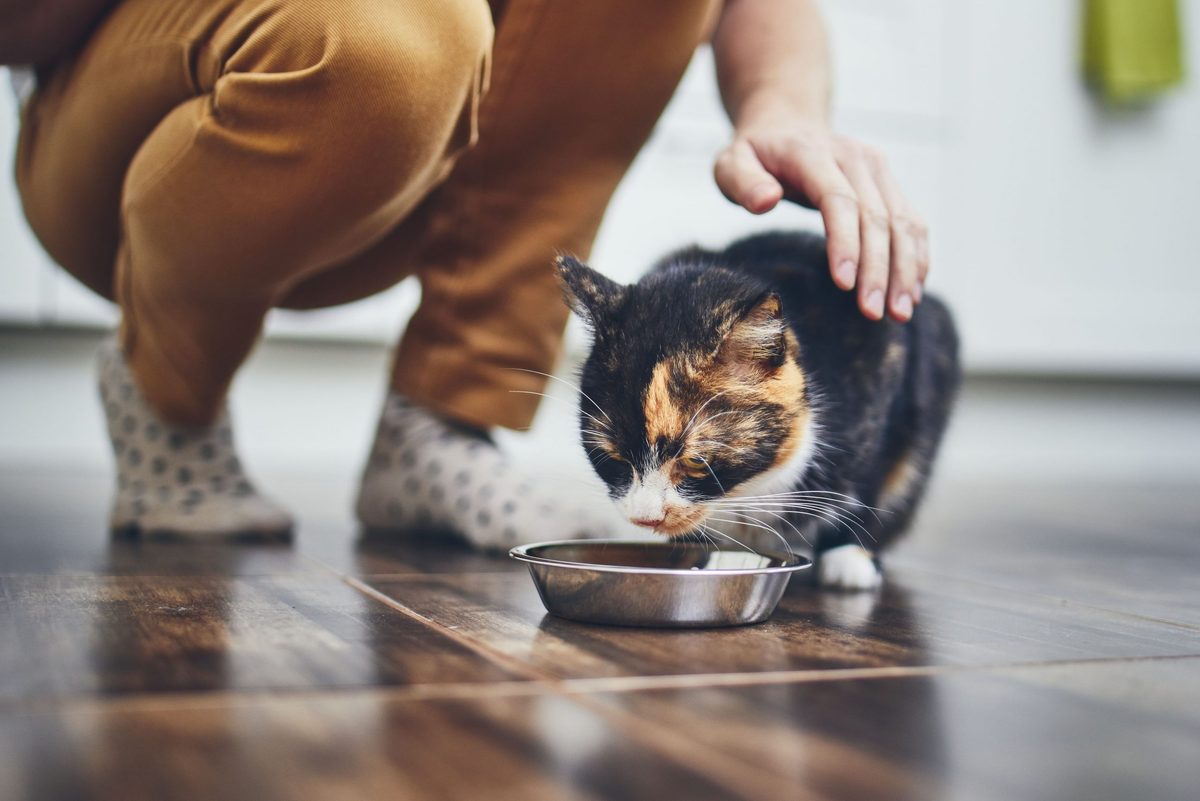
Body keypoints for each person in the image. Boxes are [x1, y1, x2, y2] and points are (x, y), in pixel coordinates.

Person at [3, 0, 929, 544]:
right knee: (399, 35)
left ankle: (440, 419)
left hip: (407, 172)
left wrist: (782, 110)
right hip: (137, 141)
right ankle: (170, 393)